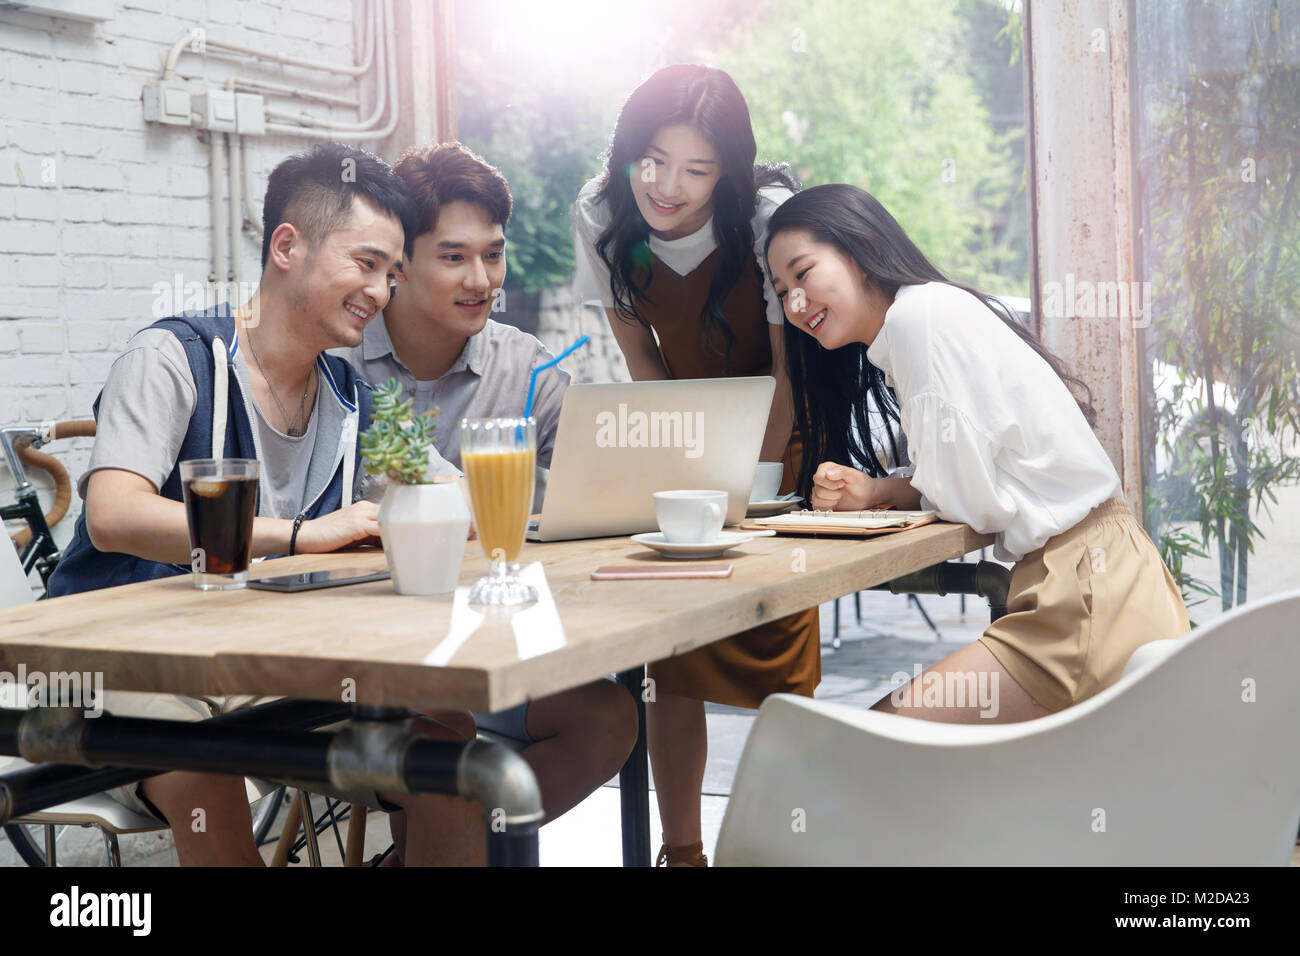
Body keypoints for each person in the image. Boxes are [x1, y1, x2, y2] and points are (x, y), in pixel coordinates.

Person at [45, 143, 481, 866]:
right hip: (129, 661)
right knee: (204, 774)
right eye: (366, 263)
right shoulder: (172, 359)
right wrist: (303, 535)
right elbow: (114, 516)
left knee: (448, 751)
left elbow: (452, 495)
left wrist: (434, 504)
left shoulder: (352, 399)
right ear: (288, 246)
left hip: (265, 666)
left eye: (392, 274)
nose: (380, 290)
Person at [764, 183, 1190, 723]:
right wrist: (877, 491)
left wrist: (898, 491)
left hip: (1083, 598)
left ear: (863, 247)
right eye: (781, 291)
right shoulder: (921, 317)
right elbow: (972, 482)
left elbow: (975, 506)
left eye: (803, 274)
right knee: (877, 749)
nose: (795, 302)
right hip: (1100, 581)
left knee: (855, 748)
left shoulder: (918, 321)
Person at [336, 141, 637, 865]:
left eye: (493, 255)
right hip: (369, 662)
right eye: (454, 258)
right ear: (397, 264)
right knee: (450, 757)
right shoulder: (337, 364)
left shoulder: (526, 366)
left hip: (483, 647)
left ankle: (451, 847)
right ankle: (455, 839)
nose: (483, 280)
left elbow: (605, 487)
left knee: (610, 719)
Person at [571, 64, 817, 867]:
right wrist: (679, 460)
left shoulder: (768, 215)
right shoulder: (600, 210)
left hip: (780, 436)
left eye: (698, 169)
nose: (668, 187)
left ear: (729, 173)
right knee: (670, 657)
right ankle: (683, 855)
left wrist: (758, 486)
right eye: (653, 159)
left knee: (783, 651)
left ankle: (789, 844)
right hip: (680, 435)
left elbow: (789, 368)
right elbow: (642, 357)